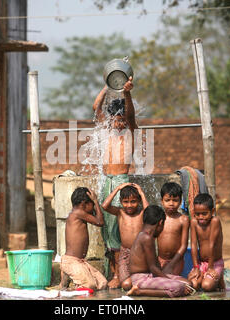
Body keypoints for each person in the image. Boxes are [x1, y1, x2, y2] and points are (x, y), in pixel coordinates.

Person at [93, 76, 138, 288]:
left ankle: (121, 275)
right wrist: (108, 86)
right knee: (106, 229)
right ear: (111, 119)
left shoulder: (130, 131)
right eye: (116, 120)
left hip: (121, 182)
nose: (119, 123)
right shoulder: (108, 131)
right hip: (107, 182)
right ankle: (112, 272)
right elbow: (96, 107)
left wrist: (126, 92)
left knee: (120, 230)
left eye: (122, 120)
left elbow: (130, 114)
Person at [126, 205, 195, 298]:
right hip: (141, 279)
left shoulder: (146, 235)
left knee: (188, 284)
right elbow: (153, 268)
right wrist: (173, 281)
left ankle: (145, 289)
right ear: (160, 223)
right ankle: (139, 291)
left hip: (149, 276)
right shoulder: (146, 238)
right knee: (179, 287)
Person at [101, 182, 148, 290]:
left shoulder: (141, 213)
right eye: (125, 202)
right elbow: (105, 205)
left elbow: (148, 210)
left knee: (139, 280)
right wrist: (117, 188)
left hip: (140, 253)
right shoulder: (120, 213)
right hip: (125, 252)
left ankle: (140, 280)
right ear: (121, 202)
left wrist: (141, 192)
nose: (129, 205)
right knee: (125, 285)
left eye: (133, 202)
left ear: (139, 201)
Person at [60, 187, 107, 291]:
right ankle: (70, 284)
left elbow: (97, 217)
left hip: (80, 262)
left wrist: (93, 203)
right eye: (92, 205)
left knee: (102, 284)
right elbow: (100, 222)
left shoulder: (78, 213)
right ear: (84, 204)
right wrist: (95, 200)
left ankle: (68, 280)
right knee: (89, 286)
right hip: (71, 262)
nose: (94, 207)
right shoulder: (78, 213)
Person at [188, 193, 225, 292]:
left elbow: (212, 245)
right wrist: (196, 267)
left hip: (214, 263)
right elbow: (193, 245)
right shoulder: (194, 222)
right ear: (194, 212)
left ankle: (219, 276)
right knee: (193, 285)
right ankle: (206, 277)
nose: (201, 217)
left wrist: (211, 267)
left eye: (204, 214)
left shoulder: (215, 221)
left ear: (212, 211)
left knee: (206, 286)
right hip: (201, 263)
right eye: (197, 214)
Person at [157, 182, 190, 276]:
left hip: (176, 261)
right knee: (160, 282)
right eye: (167, 200)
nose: (171, 203)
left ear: (180, 202)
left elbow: (184, 246)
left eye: (175, 200)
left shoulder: (183, 219)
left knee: (170, 281)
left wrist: (171, 264)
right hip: (160, 260)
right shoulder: (158, 218)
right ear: (161, 201)